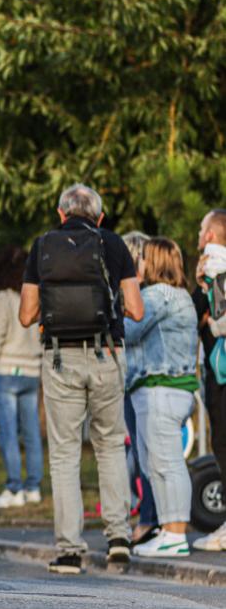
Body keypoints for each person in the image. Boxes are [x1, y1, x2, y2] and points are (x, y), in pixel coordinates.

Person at [19, 183, 144, 574]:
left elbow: (26, 315)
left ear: (60, 214)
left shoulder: (42, 246)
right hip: (108, 354)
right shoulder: (114, 244)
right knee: (109, 446)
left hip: (60, 358)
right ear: (100, 217)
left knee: (64, 453)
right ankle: (119, 540)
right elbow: (136, 309)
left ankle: (71, 551)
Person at [125, 237, 198, 557]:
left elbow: (128, 330)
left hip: (161, 388)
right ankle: (169, 530)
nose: (136, 264)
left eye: (141, 258)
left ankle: (176, 532)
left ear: (151, 262)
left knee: (166, 463)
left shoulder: (157, 296)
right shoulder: (177, 295)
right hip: (164, 388)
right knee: (155, 462)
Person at [0, 245, 44, 510]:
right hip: (32, 371)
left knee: (8, 434)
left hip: (6, 371)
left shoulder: (3, 299)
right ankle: (33, 487)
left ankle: (14, 487)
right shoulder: (37, 299)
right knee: (31, 434)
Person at [120, 231, 159, 543]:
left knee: (147, 454)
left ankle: (150, 518)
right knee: (141, 452)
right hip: (134, 380)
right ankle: (148, 515)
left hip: (141, 380)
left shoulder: (143, 295)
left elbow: (129, 332)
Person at [193, 209, 226, 550]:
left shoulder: (215, 266)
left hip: (222, 372)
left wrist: (208, 321)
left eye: (202, 229)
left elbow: (220, 318)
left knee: (223, 445)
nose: (199, 233)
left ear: (212, 235)